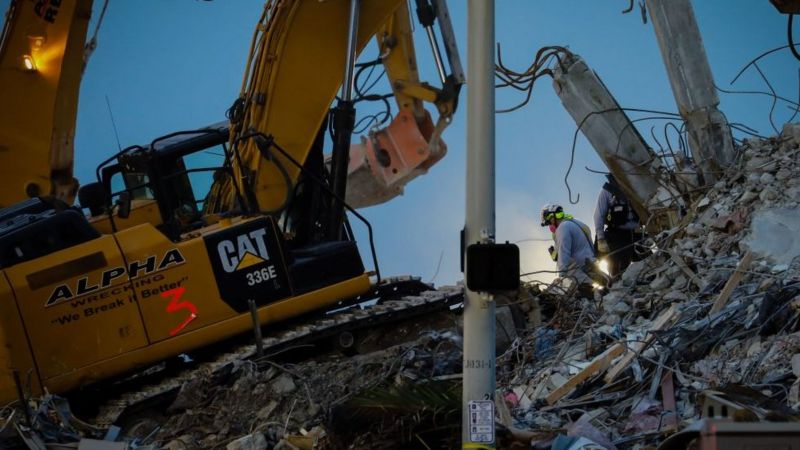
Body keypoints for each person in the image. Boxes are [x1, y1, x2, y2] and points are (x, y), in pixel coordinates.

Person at [540, 203, 597, 299]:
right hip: (591, 267)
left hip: (579, 273)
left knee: (553, 297)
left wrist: (561, 277)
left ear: (552, 216)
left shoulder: (563, 228)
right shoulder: (576, 223)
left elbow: (564, 253)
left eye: (549, 222)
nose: (550, 226)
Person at [593, 175, 644, 278]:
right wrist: (601, 239)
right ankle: (616, 289)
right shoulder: (608, 191)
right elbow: (599, 215)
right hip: (617, 236)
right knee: (617, 270)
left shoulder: (636, 187)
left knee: (648, 263)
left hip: (636, 234)